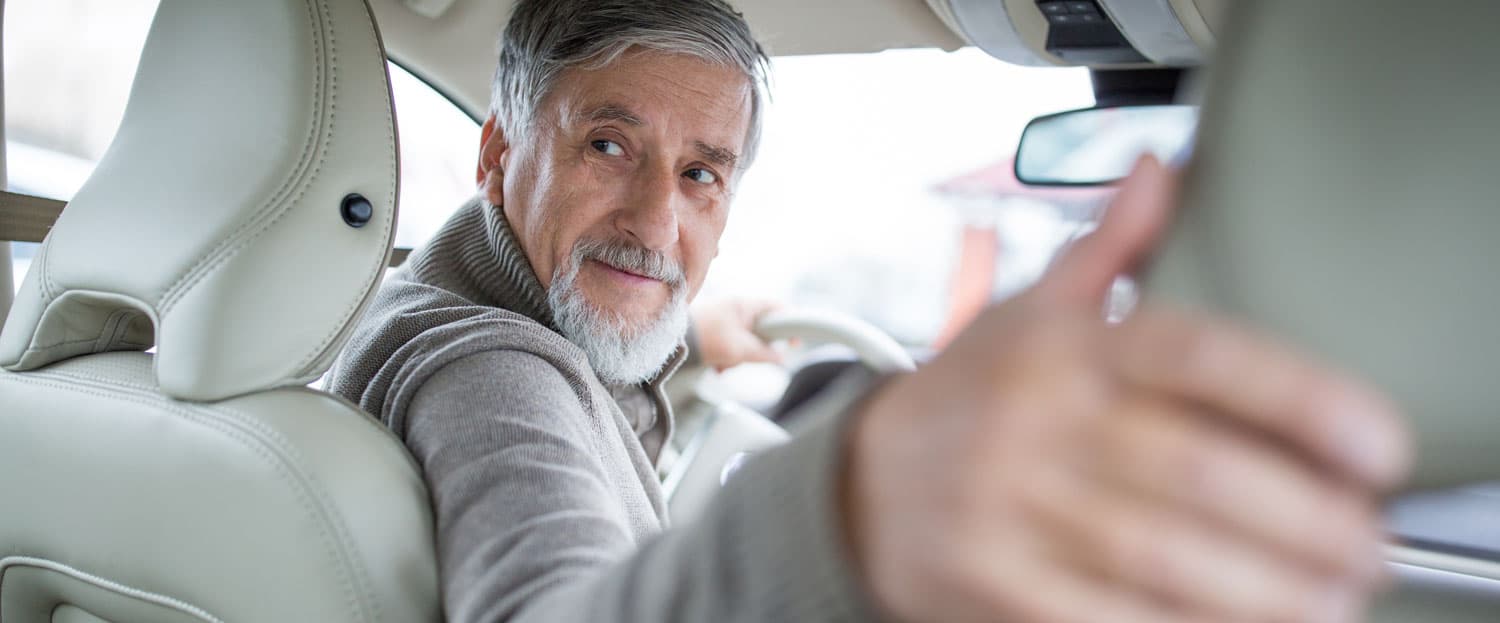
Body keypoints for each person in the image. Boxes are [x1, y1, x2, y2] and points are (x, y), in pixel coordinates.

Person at [328, 1, 1411, 621]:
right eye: (609, 145)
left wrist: (694, 343)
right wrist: (849, 507)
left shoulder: (415, 310)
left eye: (703, 173)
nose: (659, 220)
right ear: (499, 151)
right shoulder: (491, 369)